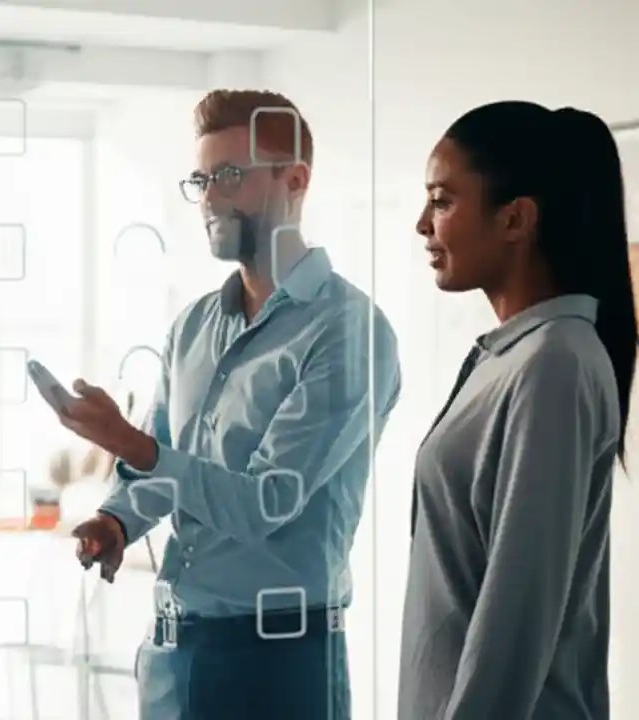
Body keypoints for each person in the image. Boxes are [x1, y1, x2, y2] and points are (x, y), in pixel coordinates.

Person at [62, 89, 401, 719]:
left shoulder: (348, 332)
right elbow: (163, 470)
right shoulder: (190, 328)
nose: (211, 197)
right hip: (173, 651)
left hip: (279, 662)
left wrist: (132, 445)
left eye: (230, 176)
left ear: (295, 180)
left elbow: (266, 501)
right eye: (201, 179)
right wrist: (116, 522)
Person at [399, 101, 633, 720]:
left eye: (442, 201)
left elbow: (517, 617)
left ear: (515, 219)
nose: (423, 224)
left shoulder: (554, 362)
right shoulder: (515, 356)